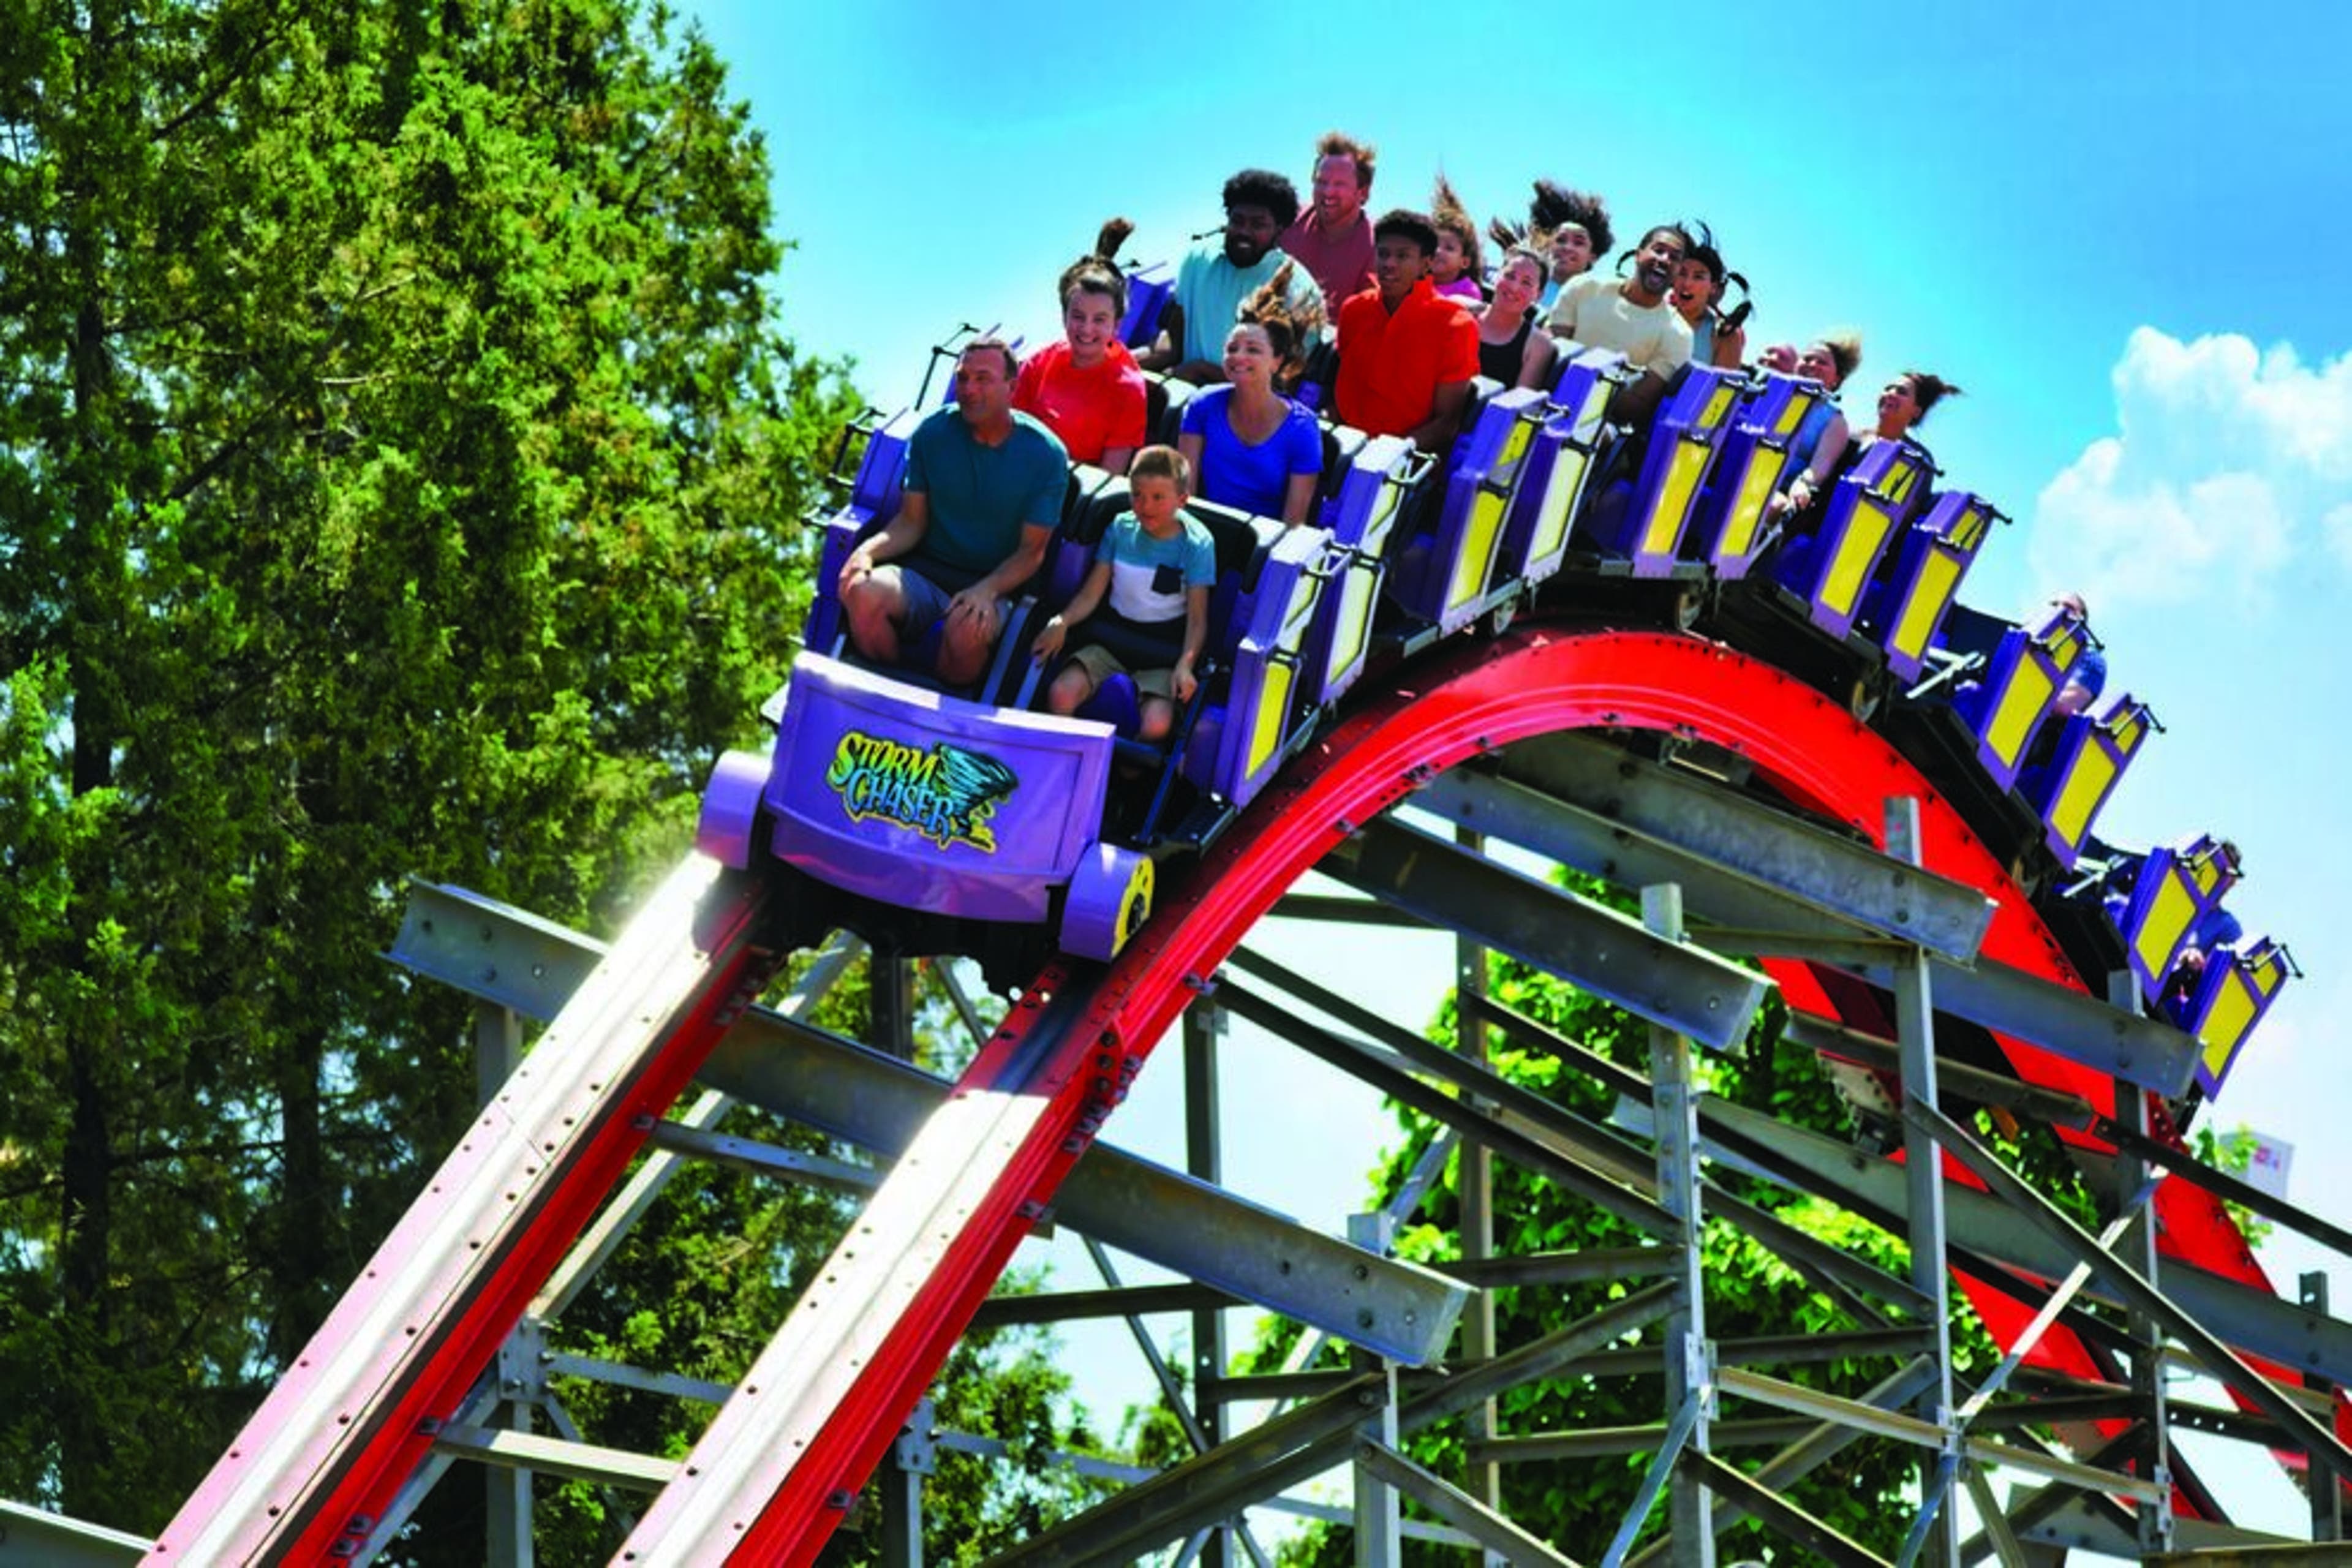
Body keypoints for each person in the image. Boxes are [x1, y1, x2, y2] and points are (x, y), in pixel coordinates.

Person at [839, 338, 1068, 685]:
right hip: (926, 574)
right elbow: (911, 523)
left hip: (994, 585)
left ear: (1011, 386)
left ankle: (941, 712)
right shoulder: (933, 434)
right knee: (863, 591)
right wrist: (865, 553)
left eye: (983, 379)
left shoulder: (1046, 455)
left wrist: (987, 590)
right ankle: (885, 689)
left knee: (968, 624)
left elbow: (1031, 552)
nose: (969, 389)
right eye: (962, 378)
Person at [1032, 444, 1216, 743]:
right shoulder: (1120, 528)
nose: (1146, 506)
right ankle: (1064, 758)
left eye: (1158, 498)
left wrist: (1186, 664)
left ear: (1182, 500)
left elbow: (1198, 620)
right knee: (1061, 693)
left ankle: (1128, 776)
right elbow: (1091, 593)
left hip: (1160, 654)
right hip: (1111, 642)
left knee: (1156, 724)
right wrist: (1062, 621)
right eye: (1138, 495)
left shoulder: (1197, 545)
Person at [1147, 168, 1324, 382]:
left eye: (1258, 224)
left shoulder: (1300, 290)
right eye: (1237, 221)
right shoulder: (1197, 259)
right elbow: (1173, 345)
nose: (1244, 232)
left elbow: (1284, 382)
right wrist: (1116, 362)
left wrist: (1202, 371)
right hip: (1185, 396)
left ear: (1279, 229)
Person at [1178, 267, 1324, 523]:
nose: (1238, 357)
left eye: (1253, 350)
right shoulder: (1202, 405)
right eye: (1232, 348)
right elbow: (1184, 497)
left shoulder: (1303, 429)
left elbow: (1293, 524)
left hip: (1262, 549)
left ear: (1276, 362)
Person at [1333, 209, 1480, 453]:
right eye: (1383, 254)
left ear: (1427, 264)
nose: (1390, 264)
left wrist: (1388, 455)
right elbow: (1339, 393)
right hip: (1340, 448)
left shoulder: (1456, 325)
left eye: (1403, 256)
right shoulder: (1354, 309)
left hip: (1404, 467)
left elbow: (1447, 423)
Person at [1013, 220, 1147, 472]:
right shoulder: (1038, 363)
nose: (1086, 329)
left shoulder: (1129, 389)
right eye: (1078, 317)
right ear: (1064, 316)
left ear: (1116, 325)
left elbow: (1107, 480)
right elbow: (1010, 440)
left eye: (1099, 320)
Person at [1544, 222, 1694, 419]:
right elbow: (1549, 357)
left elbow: (1638, 404)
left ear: (1678, 272)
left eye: (1674, 258)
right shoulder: (1584, 287)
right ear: (1638, 255)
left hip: (1603, 422)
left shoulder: (1679, 334)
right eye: (1658, 251)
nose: (1665, 260)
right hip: (1548, 398)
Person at [1280, 130, 1378, 314]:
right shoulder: (1286, 222)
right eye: (1321, 182)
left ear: (1363, 193)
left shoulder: (1379, 247)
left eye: (1339, 184)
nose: (1328, 192)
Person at [1770, 332, 1863, 522]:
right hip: (1739, 466)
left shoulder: (1835, 422)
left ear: (1837, 379)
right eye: (1807, 359)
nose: (1812, 365)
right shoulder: (1771, 392)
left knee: (1775, 505)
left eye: (1822, 362)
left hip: (1776, 488)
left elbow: (1819, 468)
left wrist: (1804, 484)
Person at [1468, 246, 1558, 392]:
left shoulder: (1538, 347)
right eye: (1510, 276)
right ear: (1497, 276)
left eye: (1526, 283)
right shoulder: (1462, 313)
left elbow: (1518, 405)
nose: (1514, 287)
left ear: (1539, 295)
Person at [1668, 222, 1747, 369]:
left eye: (1698, 277)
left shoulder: (1725, 335)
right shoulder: (1655, 313)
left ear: (1713, 287)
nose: (1687, 283)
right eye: (1682, 273)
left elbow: (1720, 390)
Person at [1428, 173, 1485, 301]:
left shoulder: (1467, 291)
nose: (1438, 251)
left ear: (1464, 262)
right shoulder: (1415, 280)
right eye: (1434, 244)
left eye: (1449, 248)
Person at [2051, 590, 2107, 714]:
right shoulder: (2026, 642)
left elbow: (2065, 705)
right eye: (2055, 605)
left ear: (2081, 620)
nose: (2059, 610)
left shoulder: (2090, 660)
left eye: (2068, 607)